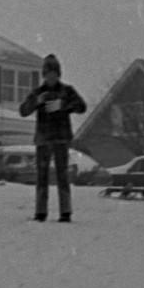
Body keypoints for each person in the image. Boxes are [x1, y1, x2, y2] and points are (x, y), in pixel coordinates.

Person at [19, 54, 88, 222]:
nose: (51, 77)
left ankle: (65, 212)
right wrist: (36, 101)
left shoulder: (67, 91)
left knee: (62, 175)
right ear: (44, 75)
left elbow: (82, 107)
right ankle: (40, 212)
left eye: (54, 73)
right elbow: (23, 111)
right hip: (43, 139)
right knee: (41, 176)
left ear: (58, 74)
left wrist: (63, 105)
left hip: (61, 138)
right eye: (48, 73)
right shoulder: (38, 93)